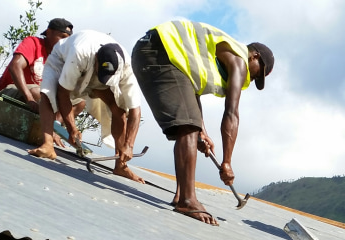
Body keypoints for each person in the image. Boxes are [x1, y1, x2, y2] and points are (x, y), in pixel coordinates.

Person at [131, 20, 273, 225]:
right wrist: (227, 162)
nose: (251, 80)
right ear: (254, 56)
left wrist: (202, 131)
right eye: (256, 73)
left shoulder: (210, 56)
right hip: (160, 51)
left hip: (152, 51)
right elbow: (231, 113)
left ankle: (181, 195)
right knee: (188, 129)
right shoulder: (239, 59)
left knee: (190, 127)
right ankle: (188, 201)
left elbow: (190, 90)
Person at [27, 30, 144, 183]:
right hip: (63, 61)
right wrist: (72, 128)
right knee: (48, 94)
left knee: (119, 109)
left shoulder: (126, 68)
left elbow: (136, 111)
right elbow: (63, 94)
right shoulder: (79, 53)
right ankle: (47, 145)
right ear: (96, 58)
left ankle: (120, 165)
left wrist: (129, 145)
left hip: (92, 68)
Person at [0, 18, 74, 110]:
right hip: (5, 94)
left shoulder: (60, 59)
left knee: (78, 102)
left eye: (68, 40)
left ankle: (53, 123)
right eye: (62, 37)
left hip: (38, 98)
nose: (65, 42)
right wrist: (29, 98)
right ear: (49, 32)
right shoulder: (33, 43)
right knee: (39, 93)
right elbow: (15, 66)